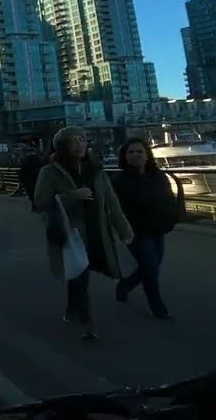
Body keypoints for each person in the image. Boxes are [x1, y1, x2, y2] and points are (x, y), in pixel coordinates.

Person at [34, 126, 134, 340]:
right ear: (63, 146)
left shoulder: (96, 170)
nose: (81, 143)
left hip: (97, 231)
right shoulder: (49, 172)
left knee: (79, 275)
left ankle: (72, 310)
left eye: (83, 139)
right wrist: (72, 196)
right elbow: (40, 203)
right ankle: (88, 324)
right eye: (75, 140)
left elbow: (112, 203)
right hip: (70, 234)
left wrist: (124, 230)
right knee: (80, 276)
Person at [113, 138, 182, 320]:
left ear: (147, 155)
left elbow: (168, 200)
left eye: (139, 151)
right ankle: (156, 305)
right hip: (136, 232)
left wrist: (171, 218)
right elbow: (117, 209)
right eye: (131, 152)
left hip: (158, 229)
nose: (135, 155)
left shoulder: (158, 176)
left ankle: (125, 285)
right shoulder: (119, 180)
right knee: (151, 269)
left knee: (151, 266)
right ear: (125, 156)